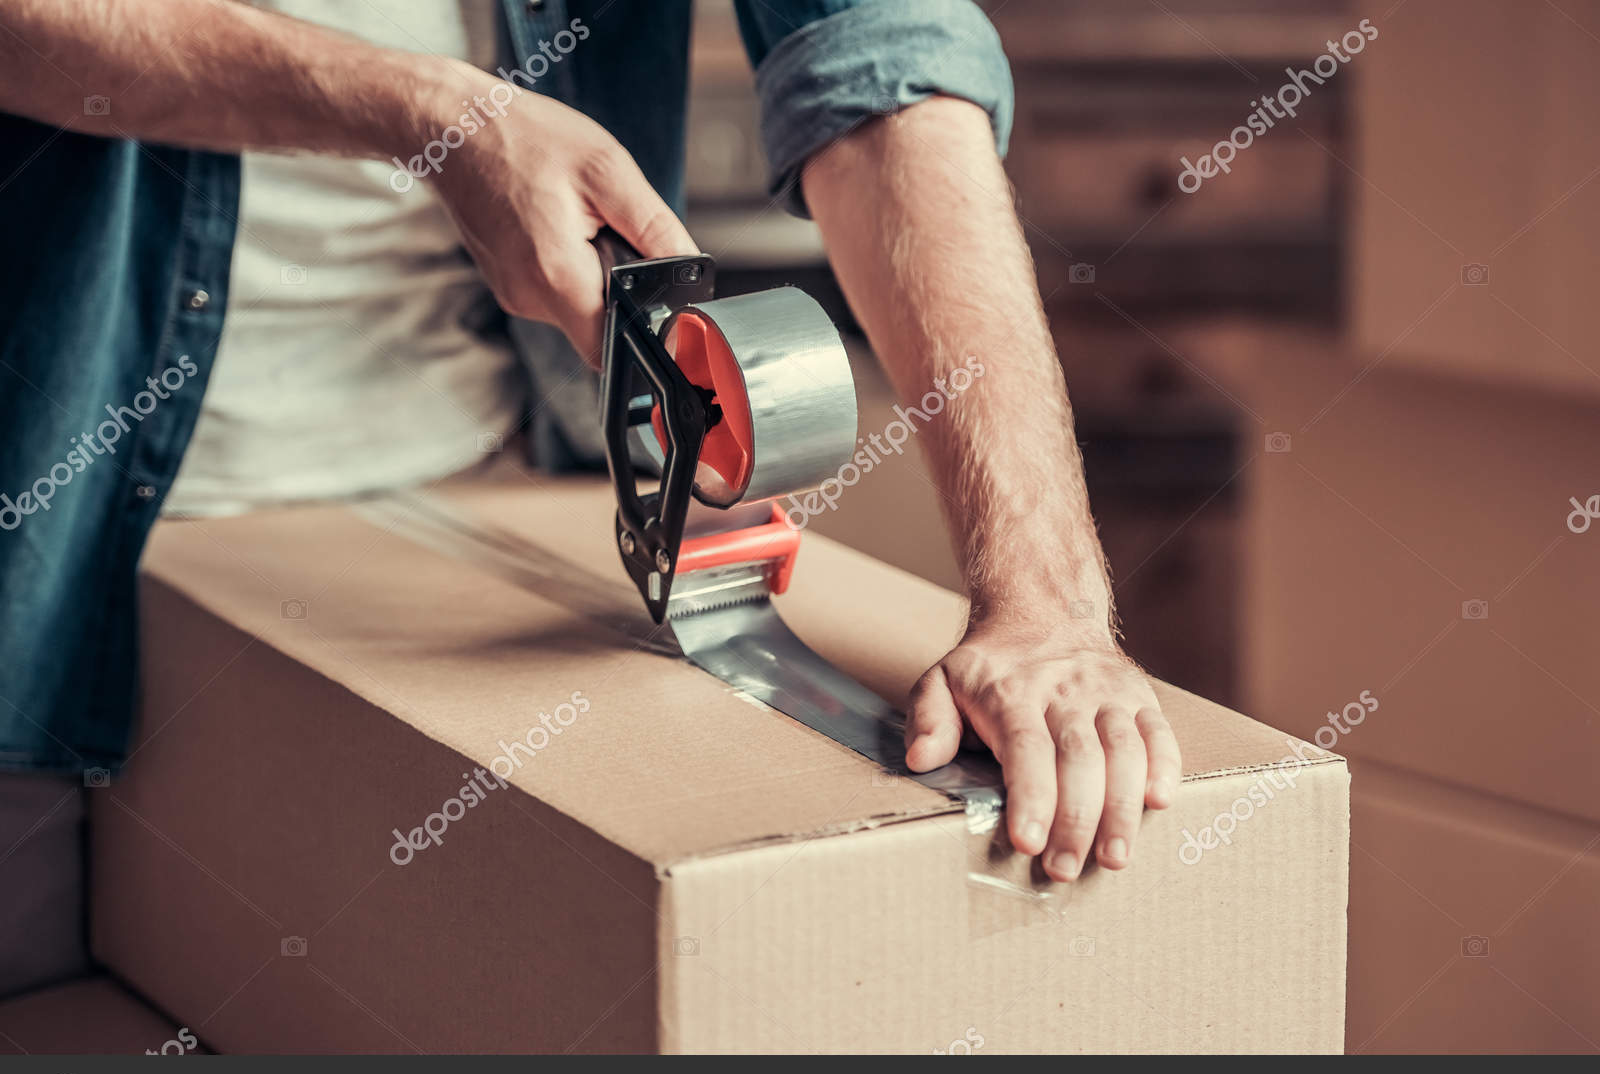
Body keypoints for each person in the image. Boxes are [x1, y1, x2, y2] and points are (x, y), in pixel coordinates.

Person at [0, 0, 1180, 994]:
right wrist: (430, 114)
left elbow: (882, 67)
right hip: (47, 510)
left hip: (483, 479)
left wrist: (1045, 605)